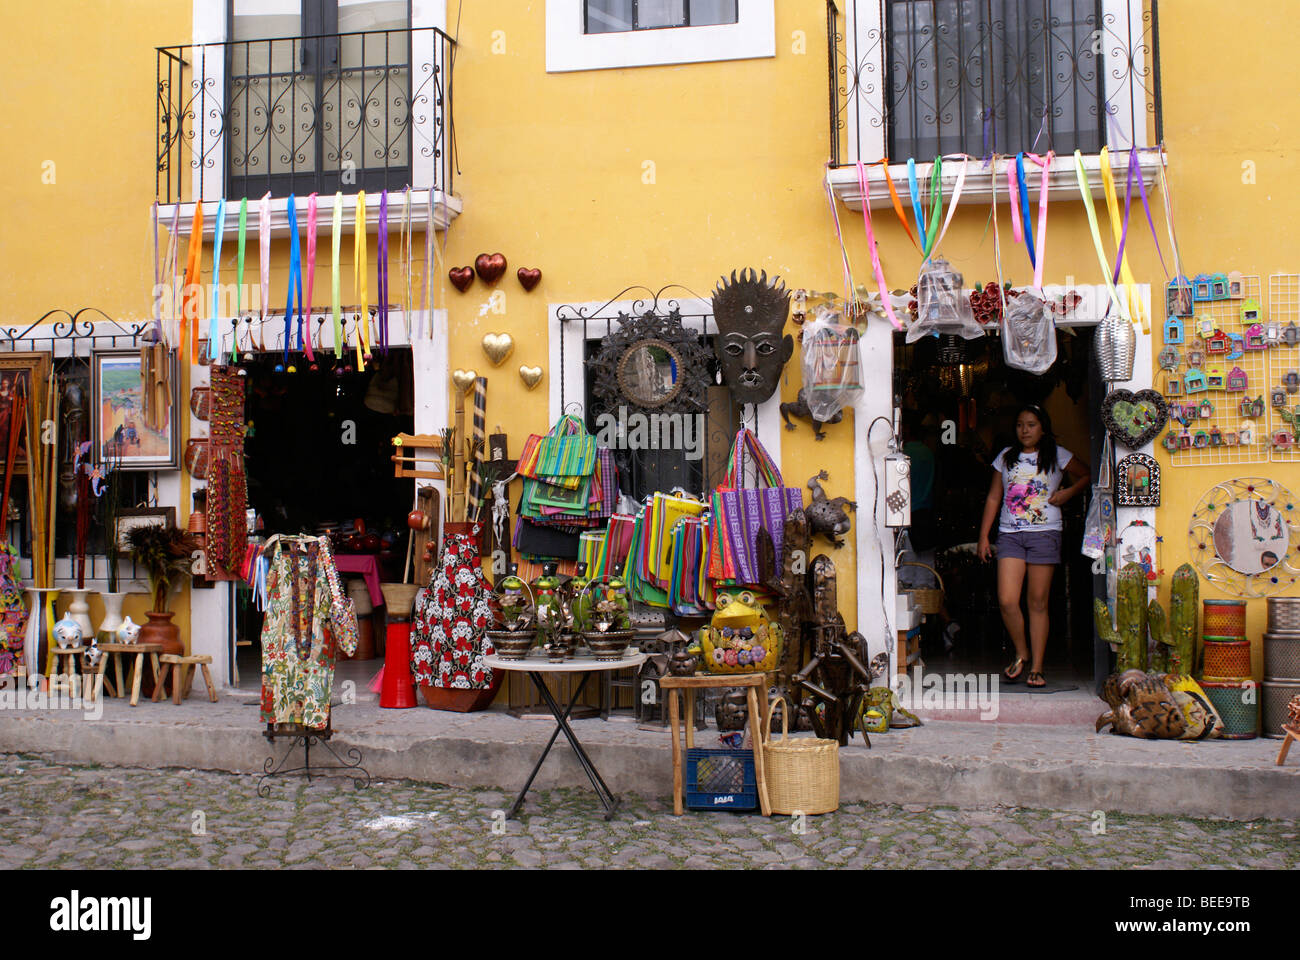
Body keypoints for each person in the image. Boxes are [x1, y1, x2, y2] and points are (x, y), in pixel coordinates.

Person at [976, 404, 1089, 688]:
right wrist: (984, 536)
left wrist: (1068, 493)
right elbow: (993, 498)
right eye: (1020, 425)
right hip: (1010, 534)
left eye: (1031, 424)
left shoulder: (1057, 454)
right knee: (1007, 600)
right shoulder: (1006, 457)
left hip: (1045, 533)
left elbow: (1087, 475)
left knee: (1037, 603)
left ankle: (1037, 666)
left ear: (1043, 428)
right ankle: (1021, 650)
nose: (1025, 430)